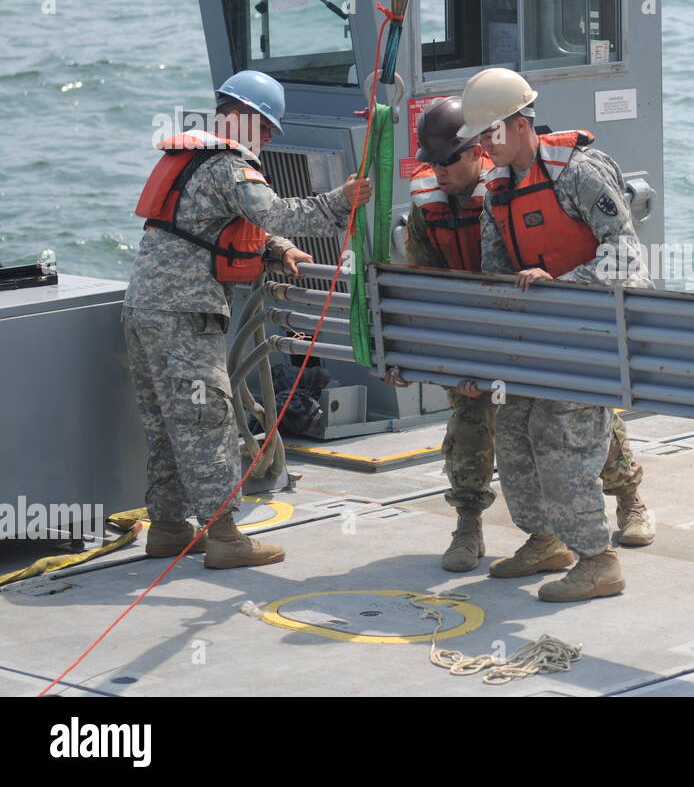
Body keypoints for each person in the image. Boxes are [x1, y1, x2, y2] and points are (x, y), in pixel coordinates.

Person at [387, 96, 654, 574]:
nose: (440, 171)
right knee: (494, 433)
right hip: (495, 333)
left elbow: (625, 256)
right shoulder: (453, 205)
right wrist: (443, 362)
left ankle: (620, 513)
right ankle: (505, 531)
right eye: (434, 162)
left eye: (451, 158)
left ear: (478, 148)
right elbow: (433, 290)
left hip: (568, 325)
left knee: (576, 433)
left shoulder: (570, 174)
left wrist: (561, 289)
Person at [124, 69, 371, 568]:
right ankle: (225, 538)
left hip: (145, 308)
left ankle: (169, 528)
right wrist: (339, 201)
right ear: (241, 117)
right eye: (263, 128)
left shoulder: (197, 160)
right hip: (185, 315)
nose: (263, 140)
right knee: (205, 421)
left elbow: (213, 228)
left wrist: (278, 251)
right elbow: (277, 214)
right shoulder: (228, 165)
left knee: (166, 425)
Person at [459, 67, 652, 602]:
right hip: (540, 343)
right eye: (477, 138)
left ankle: (598, 560)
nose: (482, 146)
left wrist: (562, 284)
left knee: (559, 442)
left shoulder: (580, 174)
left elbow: (628, 257)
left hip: (595, 336)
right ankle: (546, 541)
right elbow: (497, 280)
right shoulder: (497, 193)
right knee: (516, 434)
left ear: (520, 124)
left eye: (488, 134)